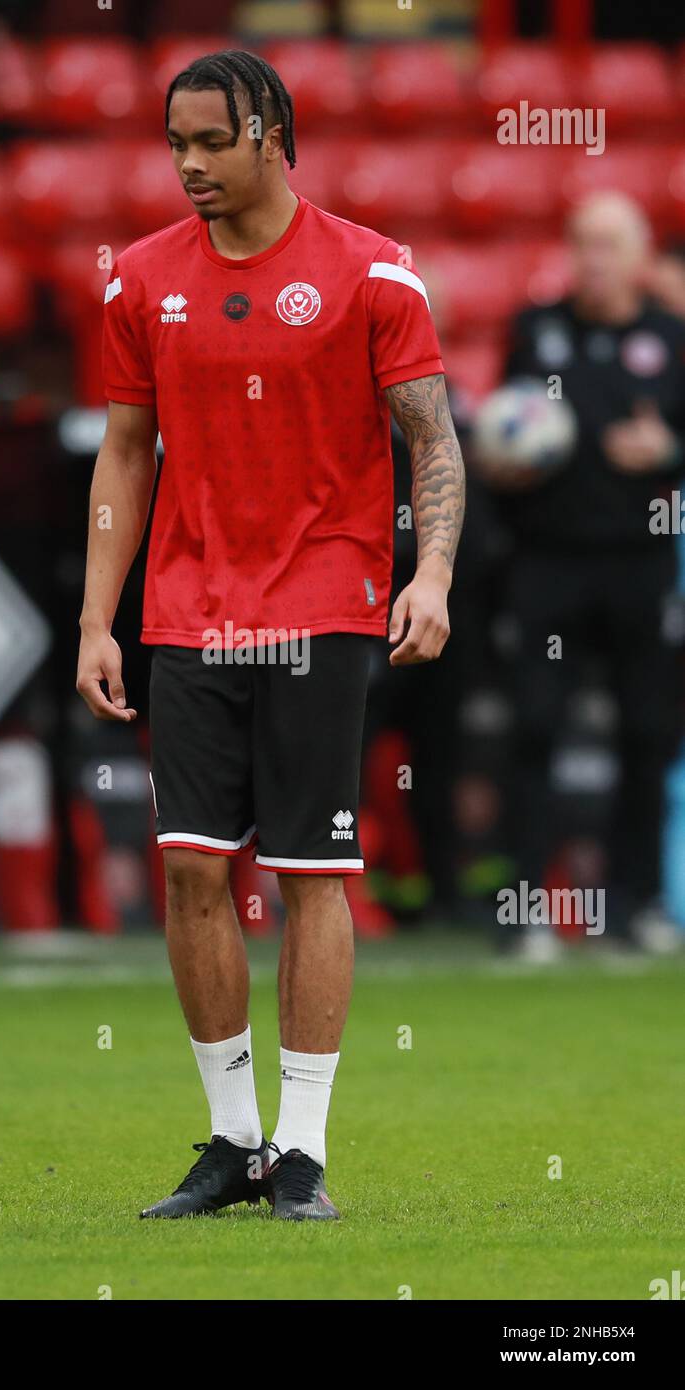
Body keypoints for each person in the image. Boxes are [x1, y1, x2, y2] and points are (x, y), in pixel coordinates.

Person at [76, 50, 465, 1220]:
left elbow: (433, 442)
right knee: (191, 866)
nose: (190, 164)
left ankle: (302, 1149)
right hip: (189, 609)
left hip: (325, 601)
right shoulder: (140, 282)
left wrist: (432, 571)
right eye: (175, 145)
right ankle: (232, 1138)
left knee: (310, 872)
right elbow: (125, 454)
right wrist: (98, 615)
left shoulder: (376, 274)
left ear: (271, 134)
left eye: (211, 141)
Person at [478, 192, 685, 955]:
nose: (593, 259)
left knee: (646, 730)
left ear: (638, 259)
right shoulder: (538, 331)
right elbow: (499, 439)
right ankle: (526, 908)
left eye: (608, 244)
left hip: (639, 563)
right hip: (548, 565)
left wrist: (666, 454)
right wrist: (503, 463)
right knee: (534, 728)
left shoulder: (671, 337)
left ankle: (639, 905)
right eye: (582, 243)